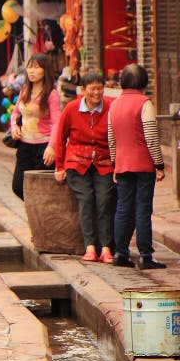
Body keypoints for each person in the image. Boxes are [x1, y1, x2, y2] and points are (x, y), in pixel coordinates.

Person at [107, 63, 166, 269]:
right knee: (143, 209)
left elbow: (111, 139)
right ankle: (145, 255)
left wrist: (115, 163)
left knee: (123, 208)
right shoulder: (144, 103)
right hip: (143, 166)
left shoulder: (113, 105)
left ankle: (120, 253)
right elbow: (151, 137)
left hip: (122, 165)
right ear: (143, 82)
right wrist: (159, 164)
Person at [53, 70, 115, 263]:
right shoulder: (71, 109)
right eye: (92, 89)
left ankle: (106, 247)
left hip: (104, 163)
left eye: (100, 88)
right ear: (83, 90)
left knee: (105, 200)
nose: (96, 93)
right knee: (87, 199)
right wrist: (59, 167)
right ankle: (89, 246)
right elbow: (60, 137)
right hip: (77, 163)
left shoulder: (111, 107)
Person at [9, 53, 60, 200]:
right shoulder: (25, 90)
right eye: (30, 67)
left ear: (45, 71)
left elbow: (57, 122)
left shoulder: (51, 94)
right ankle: (36, 211)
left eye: (36, 68)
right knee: (18, 186)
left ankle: (40, 218)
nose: (31, 71)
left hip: (43, 148)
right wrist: (14, 127)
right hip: (24, 146)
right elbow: (15, 113)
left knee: (41, 190)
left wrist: (52, 147)